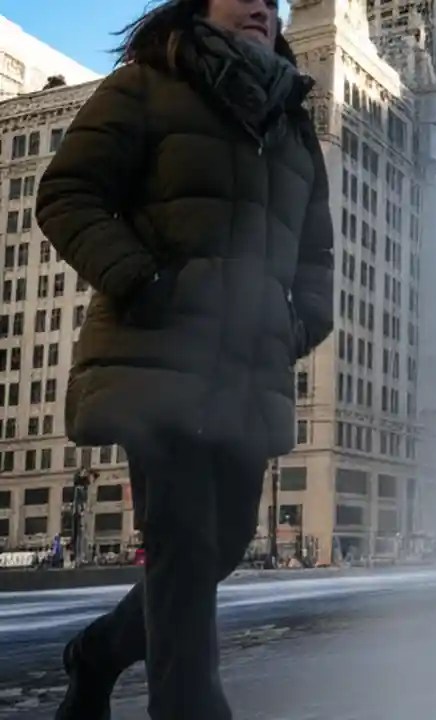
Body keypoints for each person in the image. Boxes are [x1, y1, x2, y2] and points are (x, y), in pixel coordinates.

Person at [35, 0, 333, 717]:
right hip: (159, 357)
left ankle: (97, 653)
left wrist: (298, 325)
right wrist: (146, 282)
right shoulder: (148, 83)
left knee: (220, 548)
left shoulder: (292, 121)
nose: (263, 5)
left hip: (249, 374)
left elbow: (316, 255)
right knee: (186, 546)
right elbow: (67, 193)